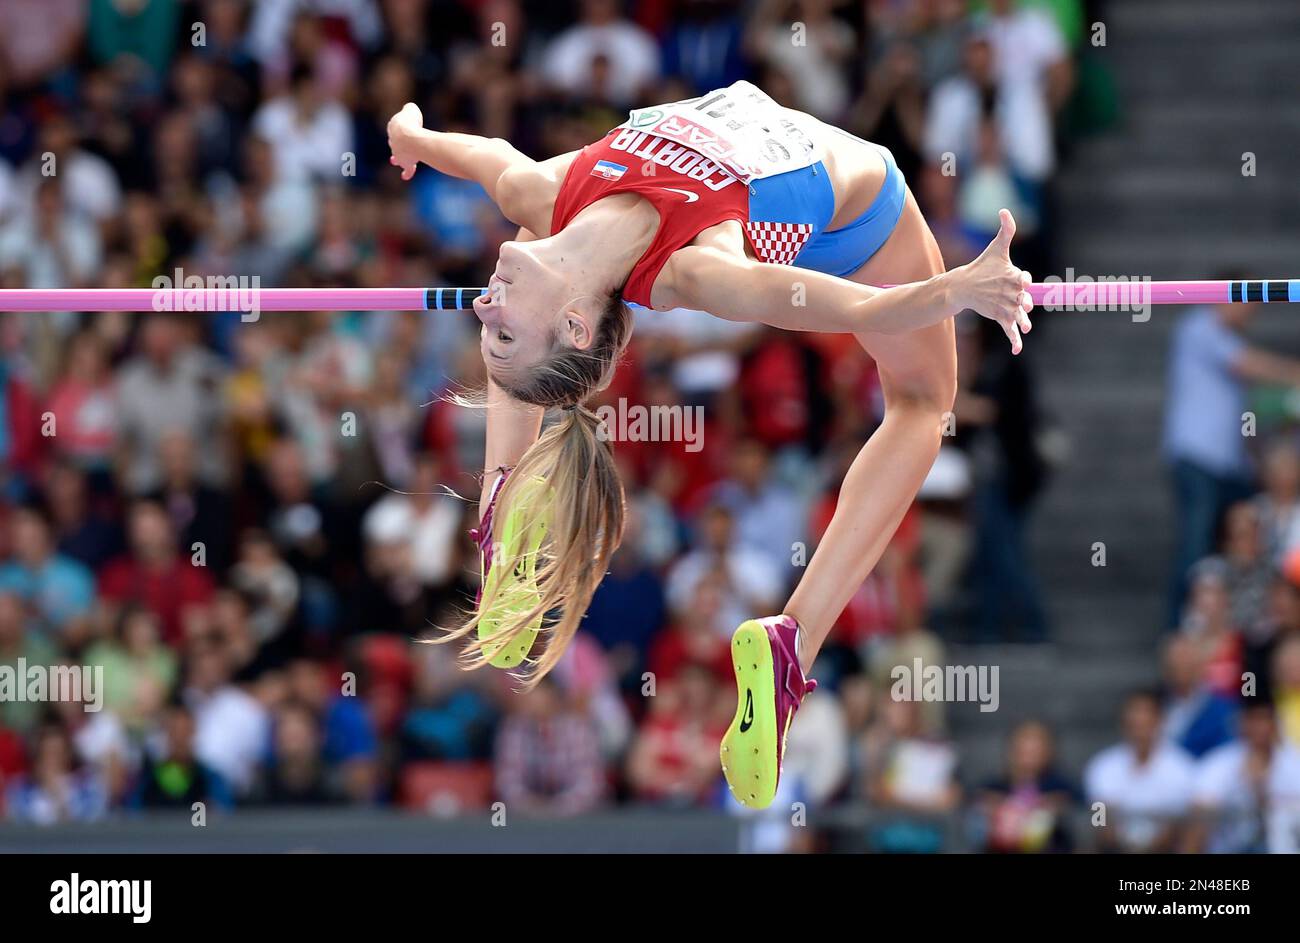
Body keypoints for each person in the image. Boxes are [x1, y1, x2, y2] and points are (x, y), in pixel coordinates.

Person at [387, 80, 1033, 809]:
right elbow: (861, 304)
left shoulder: (537, 195)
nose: (481, 303)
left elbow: (482, 154)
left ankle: (504, 520)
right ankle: (795, 637)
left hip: (742, 201)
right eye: (499, 329)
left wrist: (414, 136)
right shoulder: (697, 270)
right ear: (575, 326)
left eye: (486, 329)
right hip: (856, 224)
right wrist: (960, 287)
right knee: (923, 404)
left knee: (543, 254)